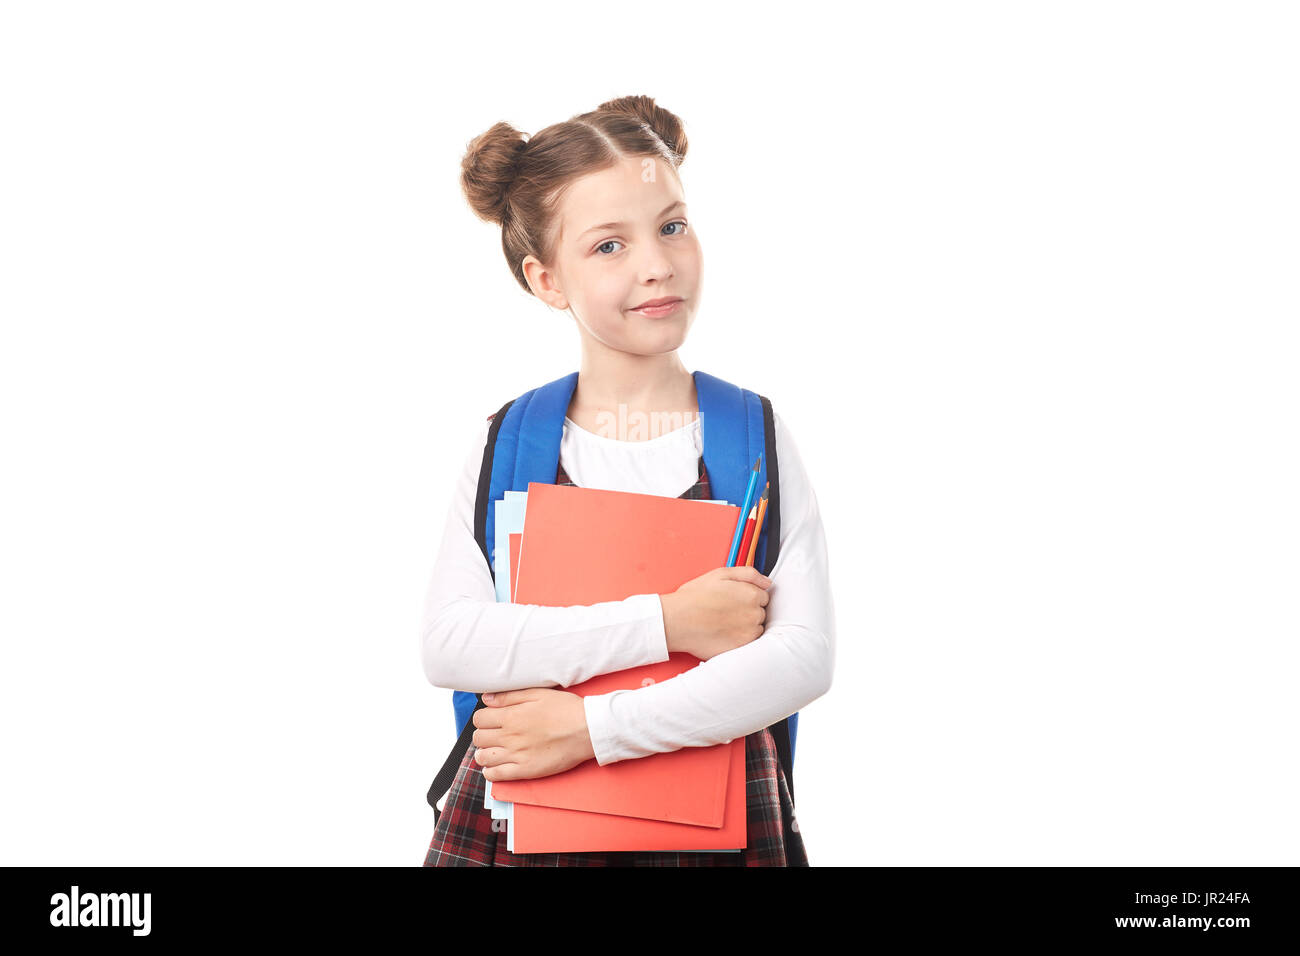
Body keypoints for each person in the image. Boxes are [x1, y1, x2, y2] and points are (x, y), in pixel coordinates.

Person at [420, 94, 835, 866]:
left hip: (715, 827)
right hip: (525, 827)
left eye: (672, 225)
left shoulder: (755, 434)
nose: (657, 263)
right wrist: (671, 624)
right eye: (609, 246)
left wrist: (590, 732)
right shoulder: (508, 441)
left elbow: (803, 656)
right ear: (547, 280)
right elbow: (451, 645)